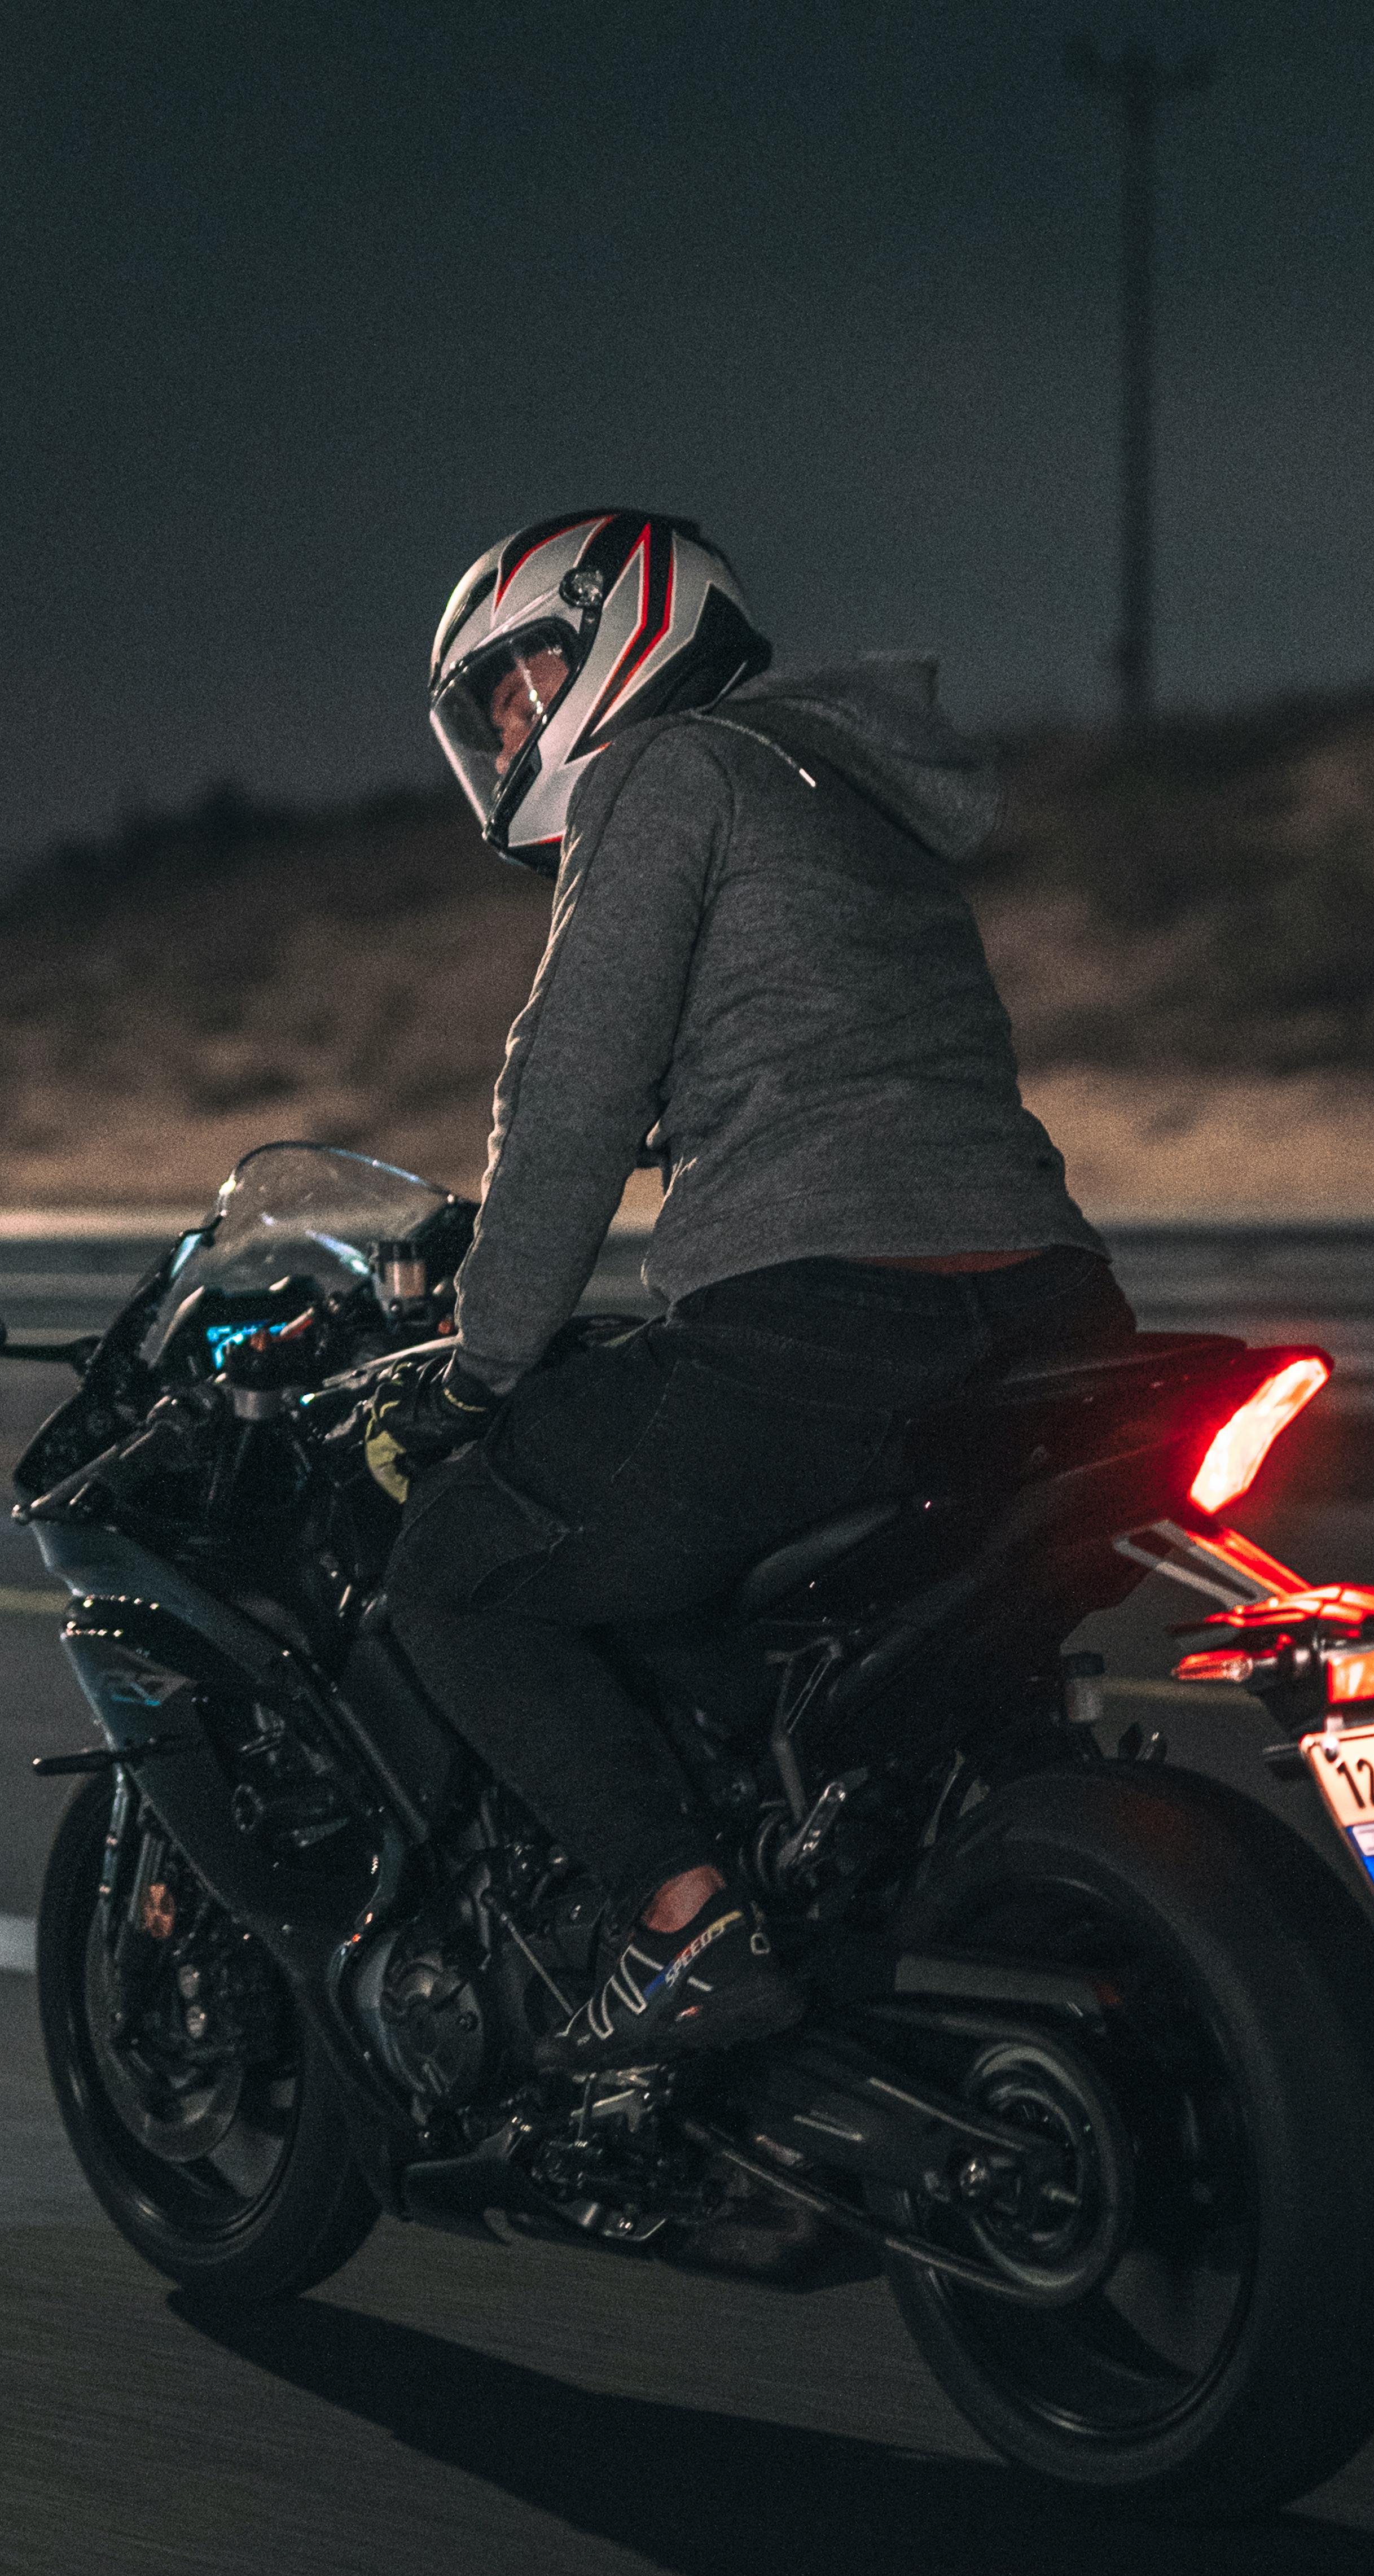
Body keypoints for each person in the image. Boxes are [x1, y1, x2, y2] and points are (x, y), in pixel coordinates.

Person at [375, 510, 1135, 2070]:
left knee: (451, 1571)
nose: (513, 726)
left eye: (522, 680)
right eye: (496, 705)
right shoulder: (853, 797)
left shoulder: (674, 770)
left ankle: (679, 1926)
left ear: (623, 630)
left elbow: (576, 1086)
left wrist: (481, 1360)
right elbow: (815, 1062)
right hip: (1051, 1313)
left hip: (824, 1329)